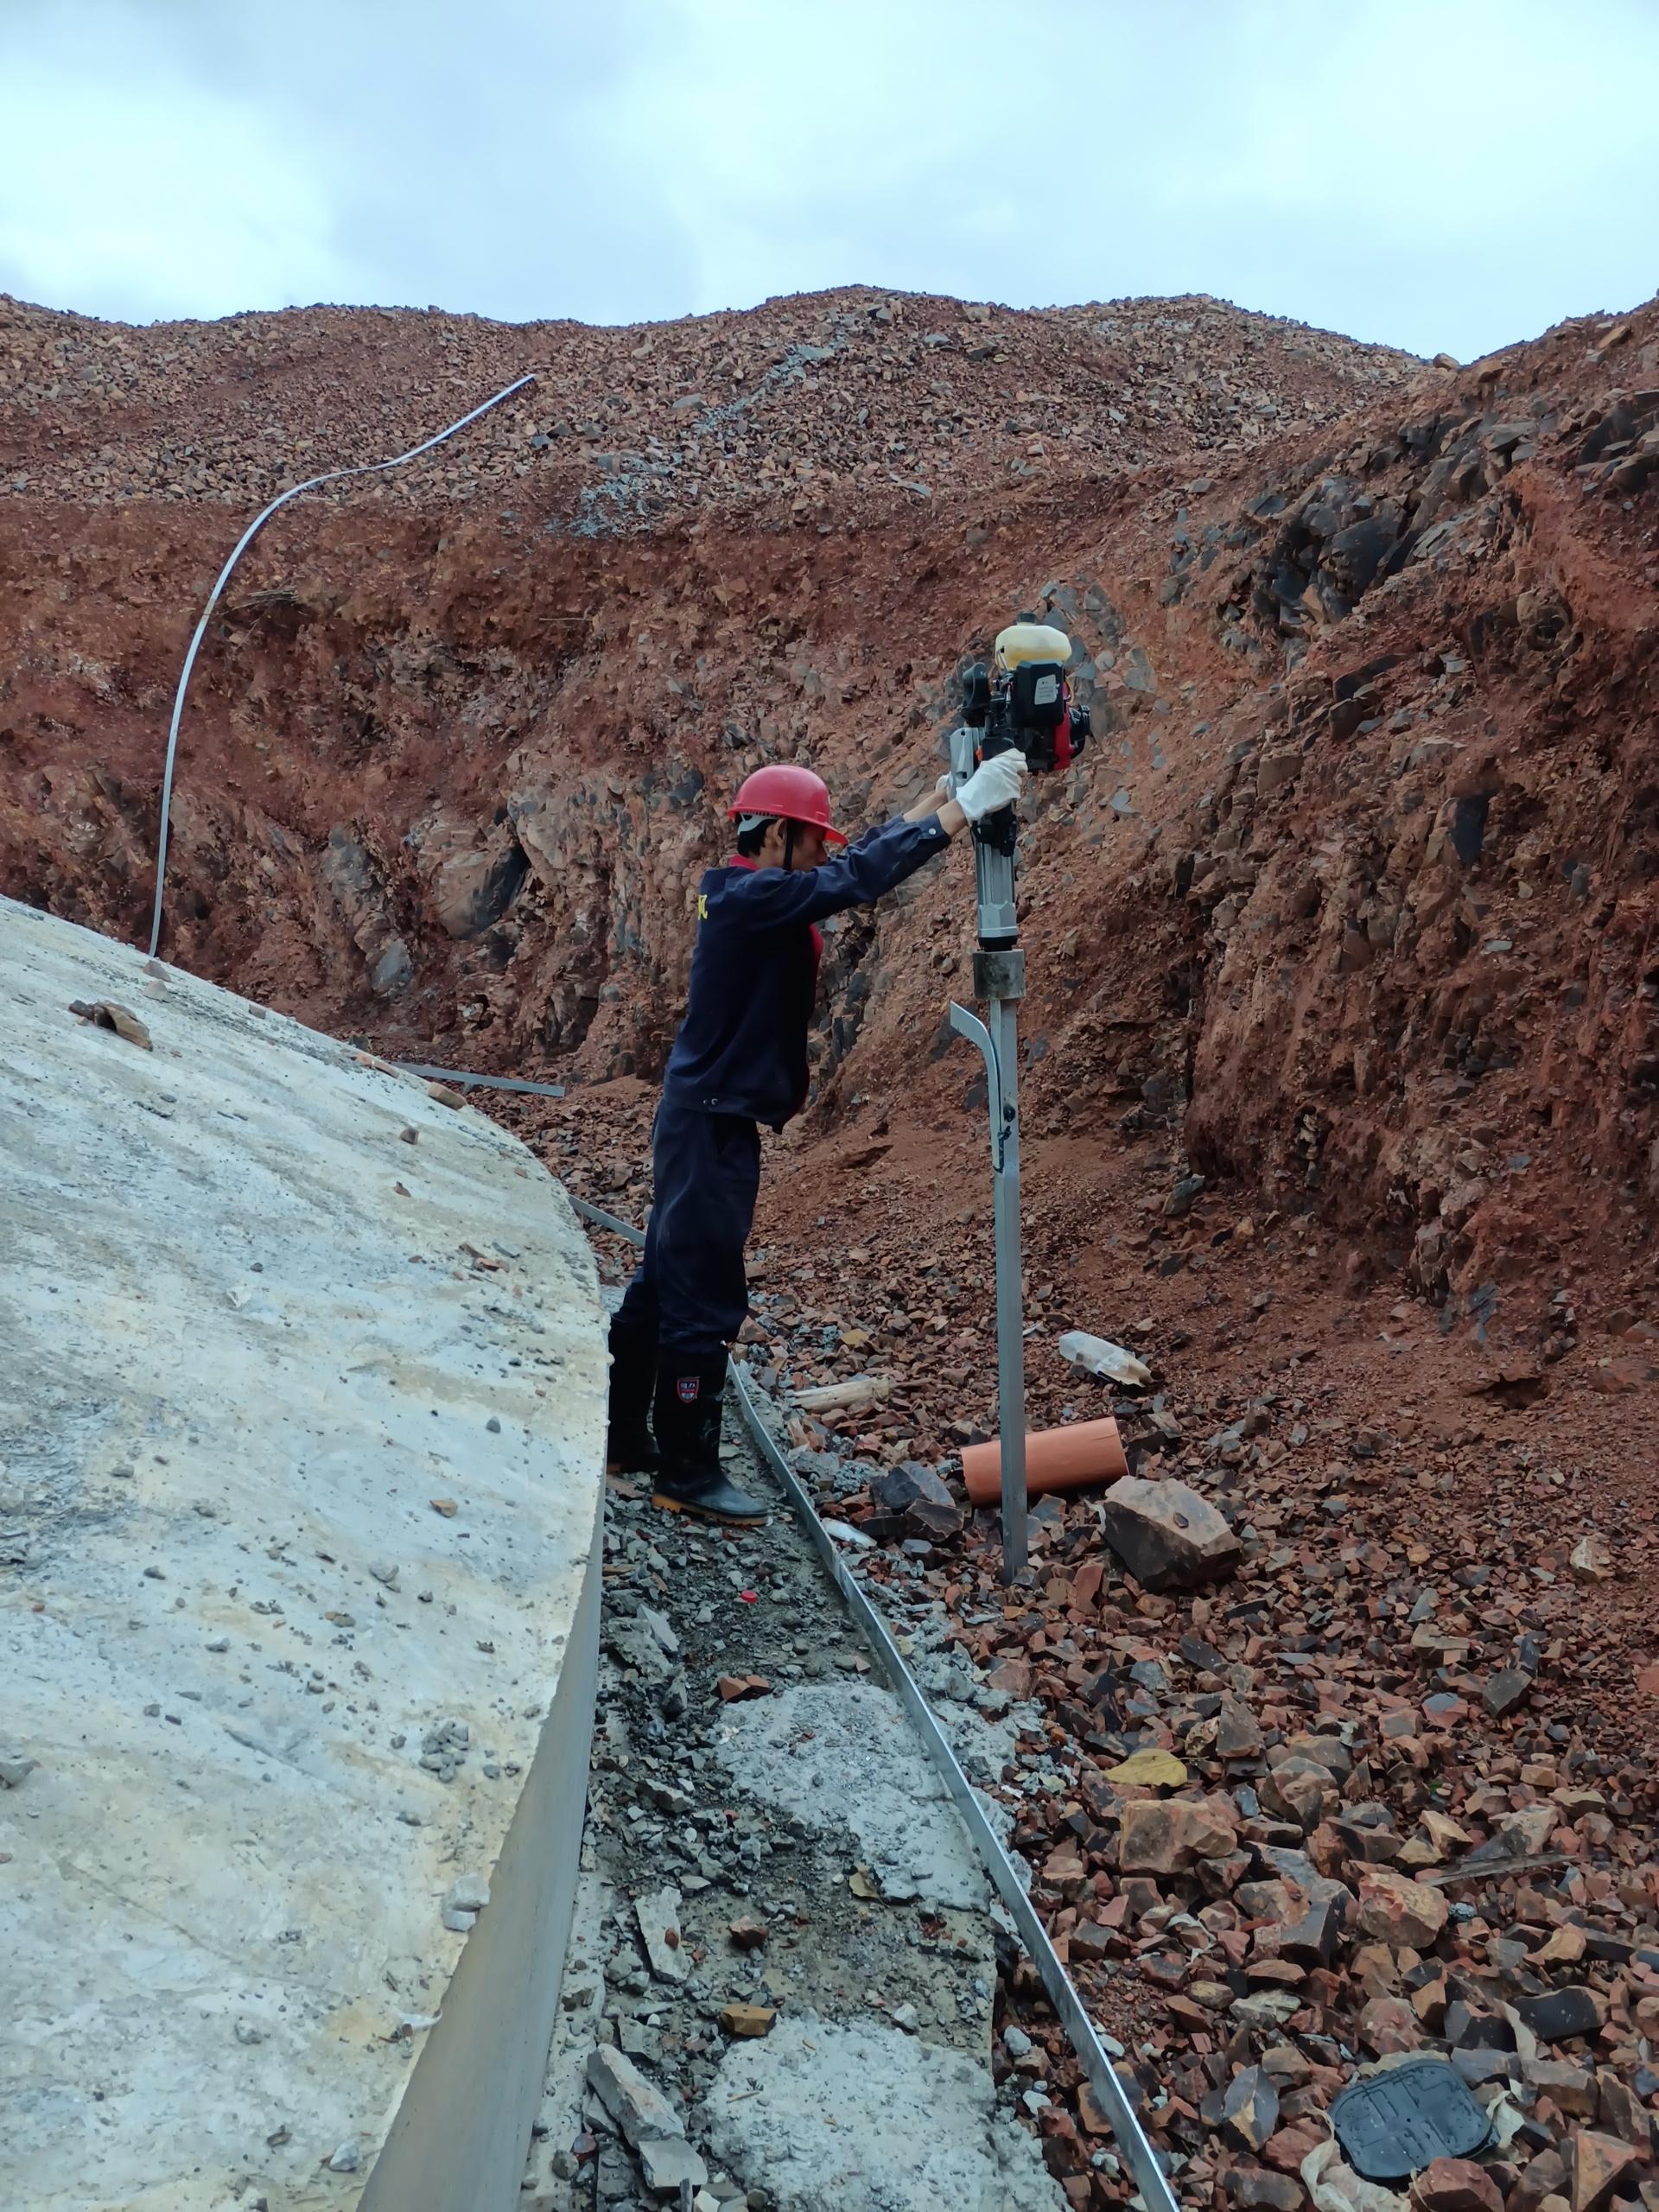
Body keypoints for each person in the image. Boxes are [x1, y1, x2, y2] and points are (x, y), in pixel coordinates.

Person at [605, 747, 1028, 1525]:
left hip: (701, 1115)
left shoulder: (746, 891)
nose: (819, 854)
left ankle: (626, 1436)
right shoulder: (753, 897)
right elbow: (853, 880)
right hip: (710, 1125)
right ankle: (687, 1470)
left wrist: (929, 805)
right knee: (701, 1290)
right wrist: (961, 813)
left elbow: (847, 864)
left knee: (664, 1277)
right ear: (776, 835)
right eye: (810, 840)